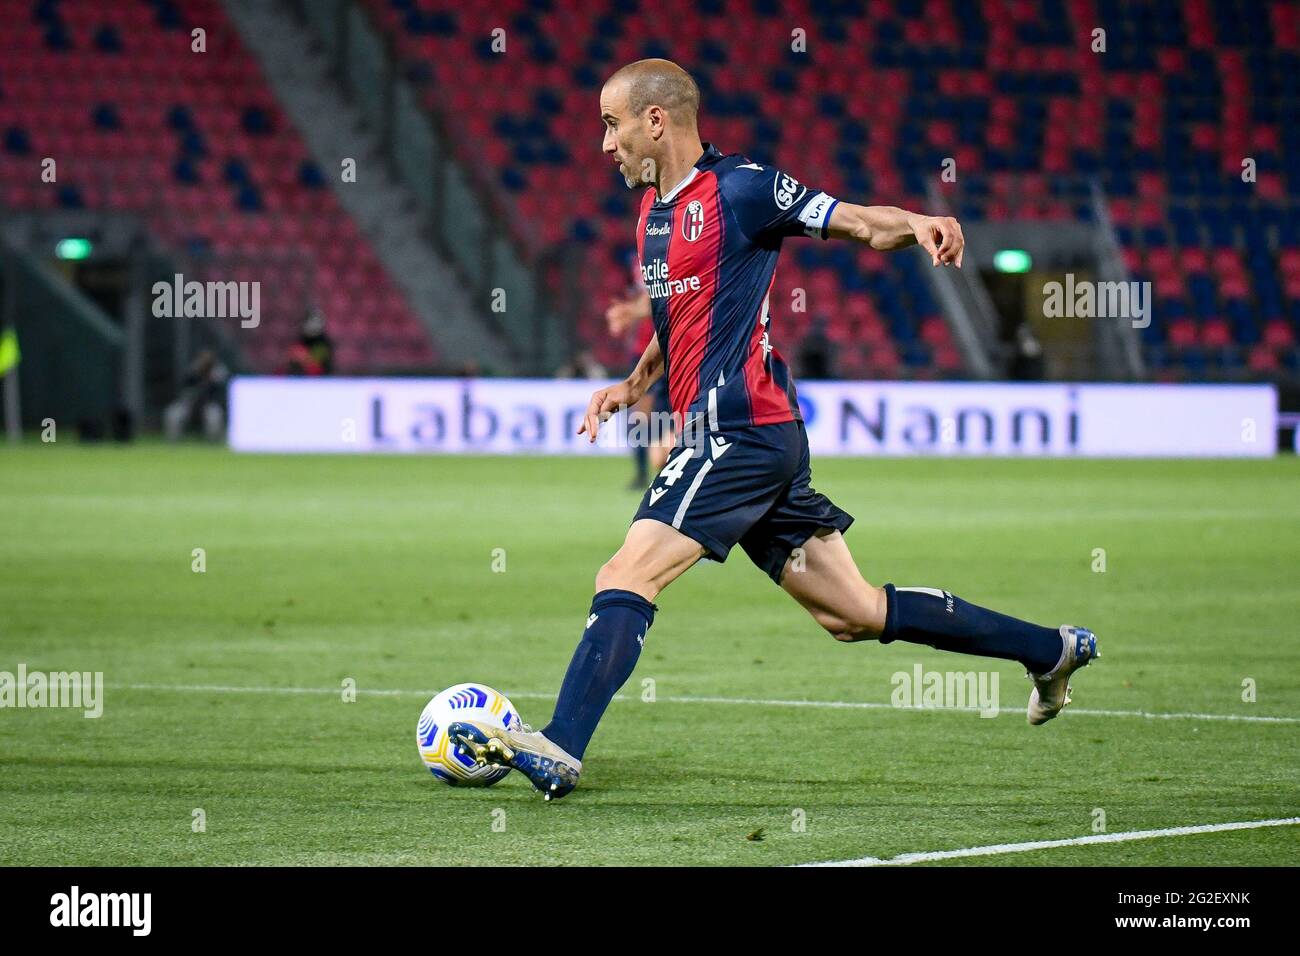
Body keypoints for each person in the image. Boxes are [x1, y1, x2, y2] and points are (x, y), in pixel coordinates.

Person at [449, 59, 1097, 800]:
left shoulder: (744, 189)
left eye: (611, 123)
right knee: (854, 613)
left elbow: (852, 220)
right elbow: (678, 319)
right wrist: (632, 385)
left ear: (655, 121)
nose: (605, 145)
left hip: (740, 429)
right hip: (759, 437)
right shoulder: (652, 216)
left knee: (627, 573)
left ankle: (561, 746)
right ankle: (1049, 651)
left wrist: (914, 223)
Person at [605, 276, 674, 486]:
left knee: (669, 440)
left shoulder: (666, 252)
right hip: (642, 352)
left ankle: (674, 472)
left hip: (670, 352)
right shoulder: (640, 260)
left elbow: (664, 300)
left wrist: (630, 312)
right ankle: (642, 473)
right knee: (640, 420)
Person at [163, 349, 228, 441]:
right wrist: (197, 372)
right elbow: (185, 383)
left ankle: (213, 442)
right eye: (204, 358)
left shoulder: (218, 372)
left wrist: (211, 379)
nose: (206, 360)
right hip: (190, 402)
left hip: (209, 403)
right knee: (173, 414)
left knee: (214, 417)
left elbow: (219, 389)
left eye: (208, 358)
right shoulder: (194, 368)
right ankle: (173, 441)